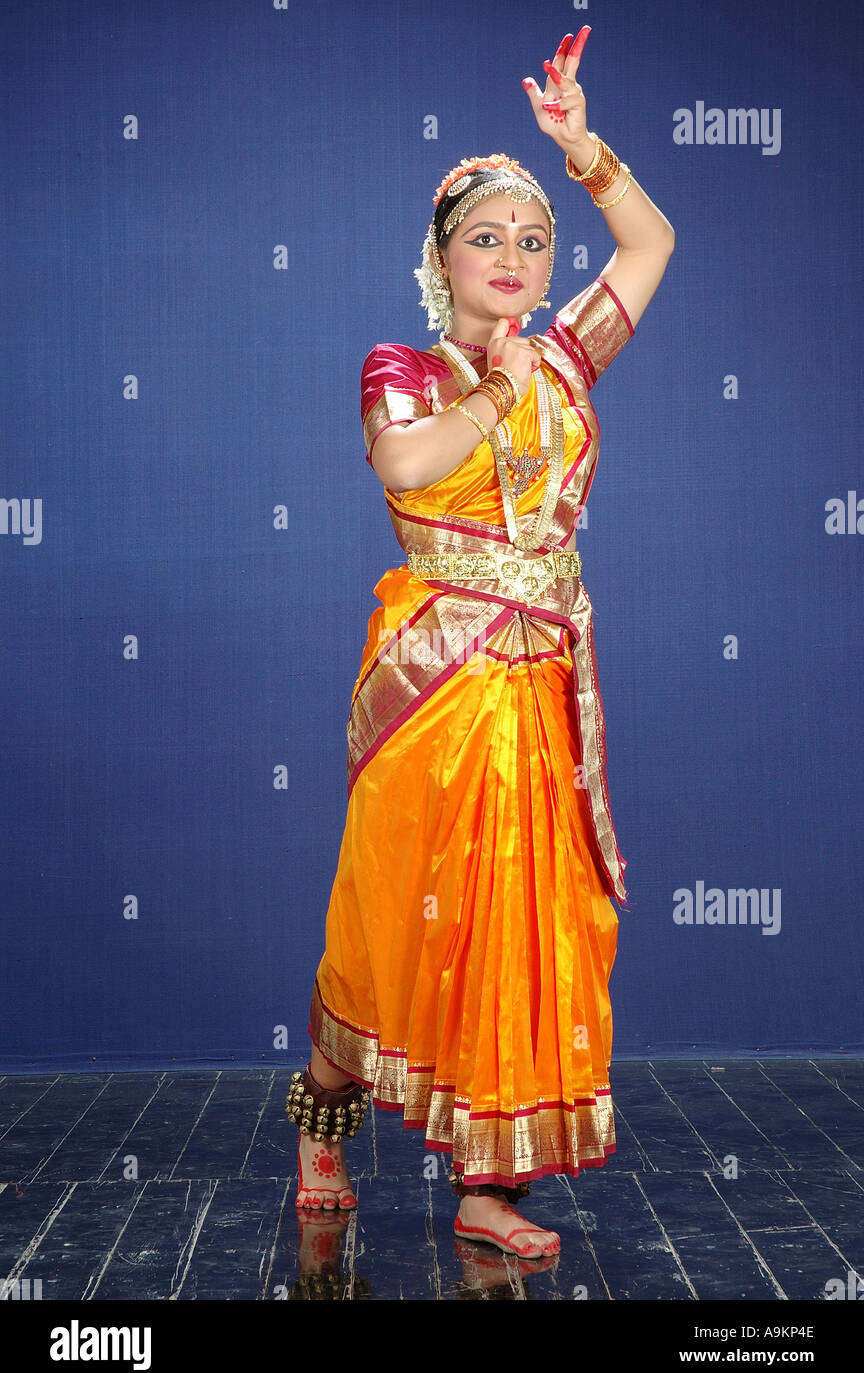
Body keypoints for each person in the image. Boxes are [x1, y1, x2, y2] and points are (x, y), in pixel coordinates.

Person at [286, 26, 674, 1259]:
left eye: (534, 239)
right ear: (441, 256)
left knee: (525, 922)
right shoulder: (404, 365)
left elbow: (651, 245)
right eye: (487, 237)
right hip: (435, 685)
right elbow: (408, 464)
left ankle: (487, 1186)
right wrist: (497, 390)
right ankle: (323, 1120)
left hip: (541, 686)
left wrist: (583, 152)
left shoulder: (569, 356)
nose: (513, 257)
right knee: (394, 919)